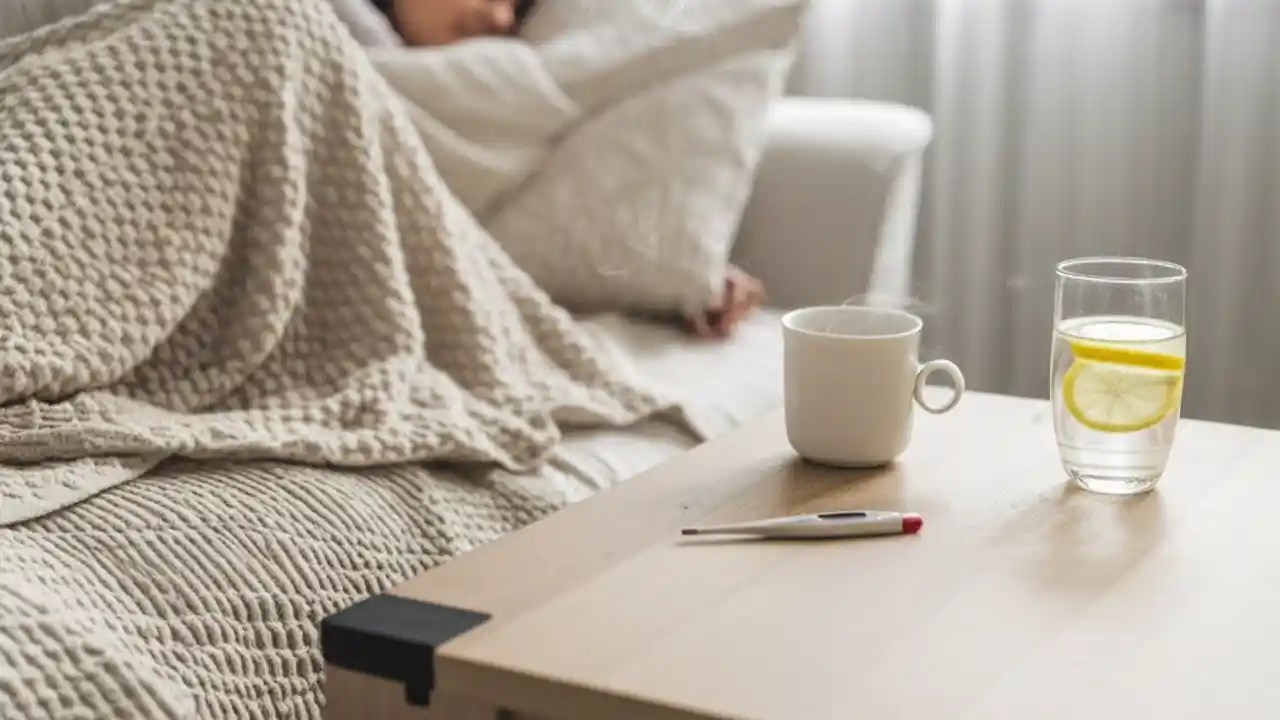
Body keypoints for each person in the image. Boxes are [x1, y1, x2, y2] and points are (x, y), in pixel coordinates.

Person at [363, 0, 765, 337]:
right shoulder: (316, 29)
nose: (501, 18)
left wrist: (673, 272)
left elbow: (520, 232)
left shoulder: (502, 106)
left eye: (515, 8)